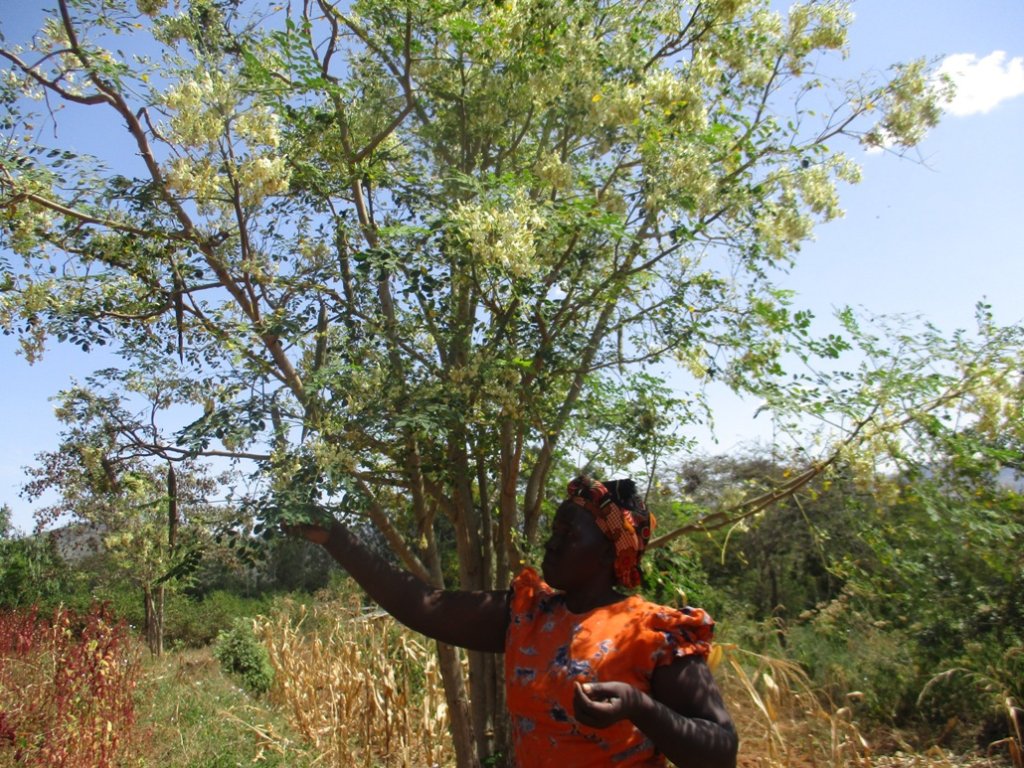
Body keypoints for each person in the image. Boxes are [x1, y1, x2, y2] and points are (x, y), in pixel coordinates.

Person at [289, 476, 738, 767]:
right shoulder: (529, 615)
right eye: (554, 532)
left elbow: (720, 749)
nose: (552, 544)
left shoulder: (653, 633)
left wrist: (639, 707)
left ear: (607, 554)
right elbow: (426, 607)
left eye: (567, 535)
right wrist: (337, 539)